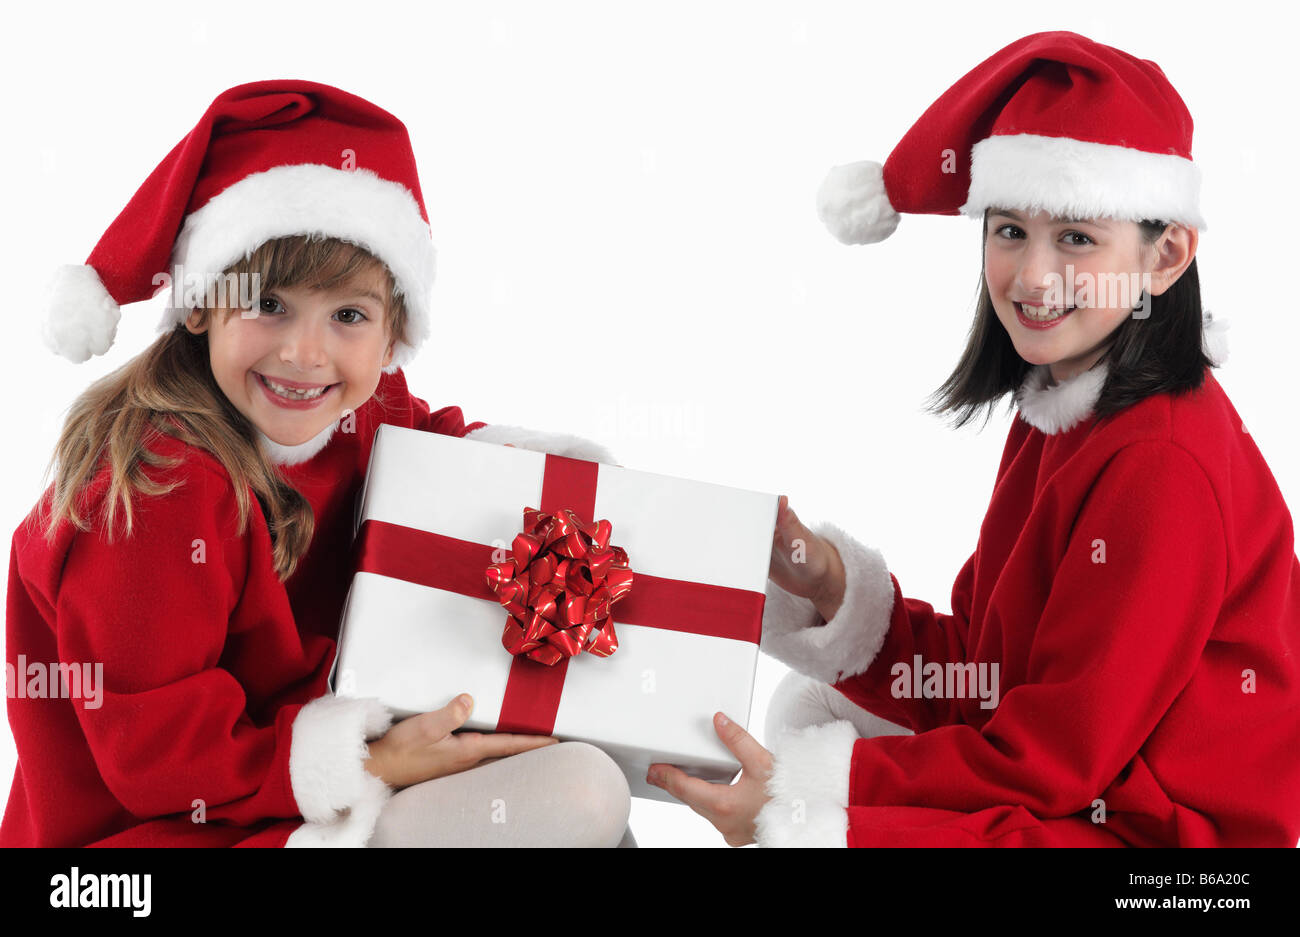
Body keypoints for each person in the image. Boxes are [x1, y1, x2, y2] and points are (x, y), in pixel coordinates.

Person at [647, 30, 1300, 847]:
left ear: (1166, 255)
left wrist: (815, 807)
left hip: (1168, 857)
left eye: (1076, 237)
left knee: (812, 810)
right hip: (1080, 782)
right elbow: (993, 679)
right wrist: (831, 588)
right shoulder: (1063, 401)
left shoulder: (1160, 462)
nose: (1030, 277)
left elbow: (1052, 761)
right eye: (1009, 230)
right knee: (806, 716)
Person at [2, 80, 631, 848]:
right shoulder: (158, 486)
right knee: (579, 796)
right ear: (199, 304)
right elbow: (158, 758)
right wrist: (374, 760)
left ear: (394, 331)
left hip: (302, 792)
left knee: (575, 775)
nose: (305, 354)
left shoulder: (361, 410)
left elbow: (427, 447)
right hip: (159, 840)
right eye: (268, 305)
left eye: (348, 316)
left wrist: (548, 479)